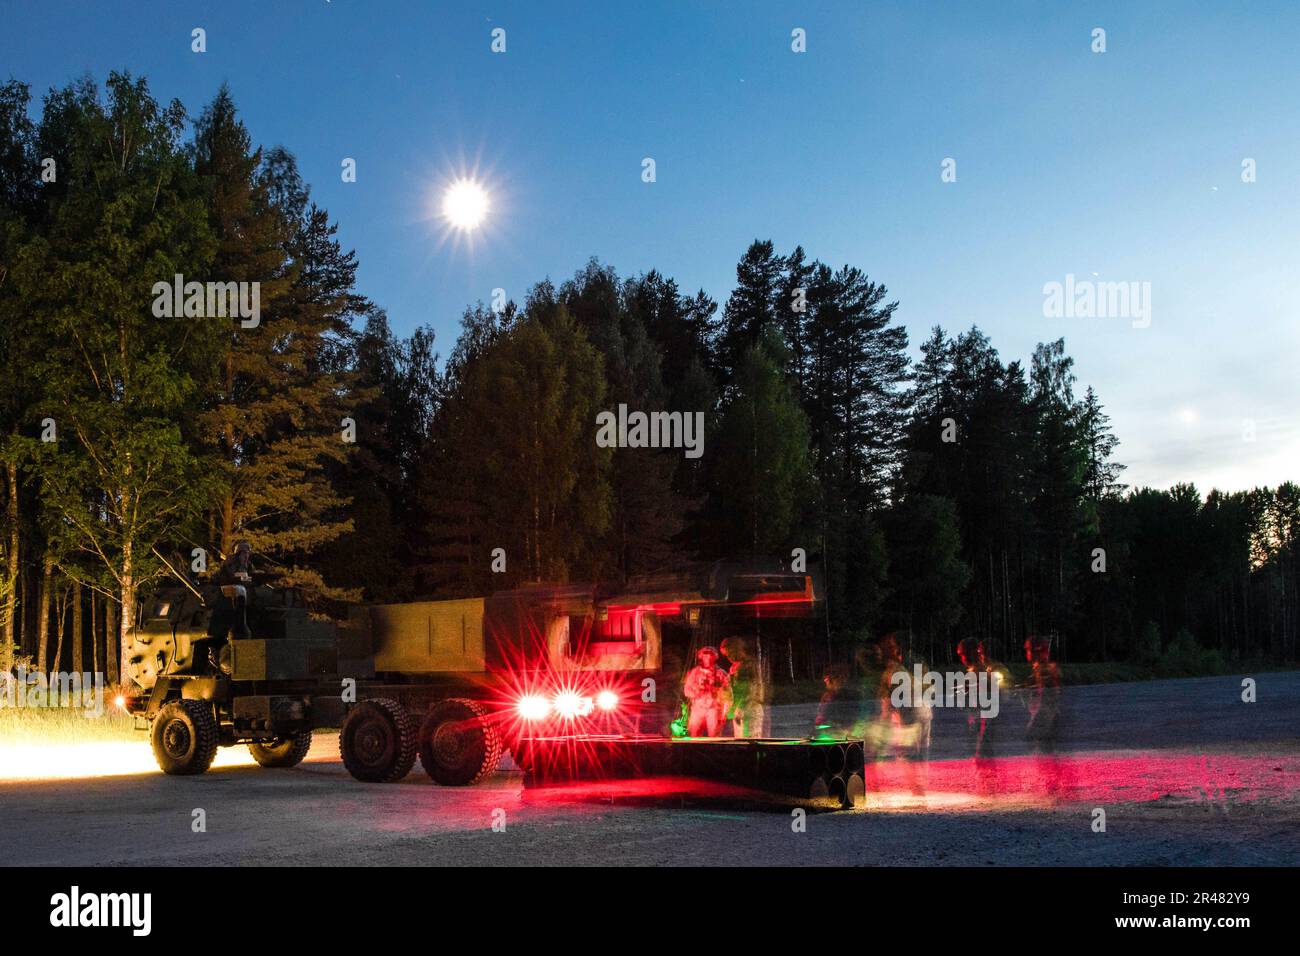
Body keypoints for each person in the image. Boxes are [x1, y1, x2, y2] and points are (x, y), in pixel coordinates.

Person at [204, 542, 254, 671]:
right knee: (240, 592)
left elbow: (250, 574)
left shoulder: (247, 564)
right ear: (239, 553)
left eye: (248, 553)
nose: (246, 555)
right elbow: (231, 576)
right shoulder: (231, 562)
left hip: (239, 591)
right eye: (244, 553)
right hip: (226, 591)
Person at [720, 636, 767, 738]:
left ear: (736, 650)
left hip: (750, 709)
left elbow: (745, 691)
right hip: (741, 710)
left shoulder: (748, 666)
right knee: (741, 741)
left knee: (750, 742)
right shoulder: (735, 667)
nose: (728, 657)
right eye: (726, 655)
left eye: (729, 653)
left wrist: (733, 710)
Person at [682, 646, 731, 738]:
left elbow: (728, 694)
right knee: (694, 733)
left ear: (714, 657)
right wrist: (696, 692)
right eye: (705, 655)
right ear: (701, 657)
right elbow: (686, 690)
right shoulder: (695, 672)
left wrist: (725, 713)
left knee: (714, 735)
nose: (708, 658)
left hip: (714, 708)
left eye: (710, 655)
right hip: (698, 707)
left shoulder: (720, 673)